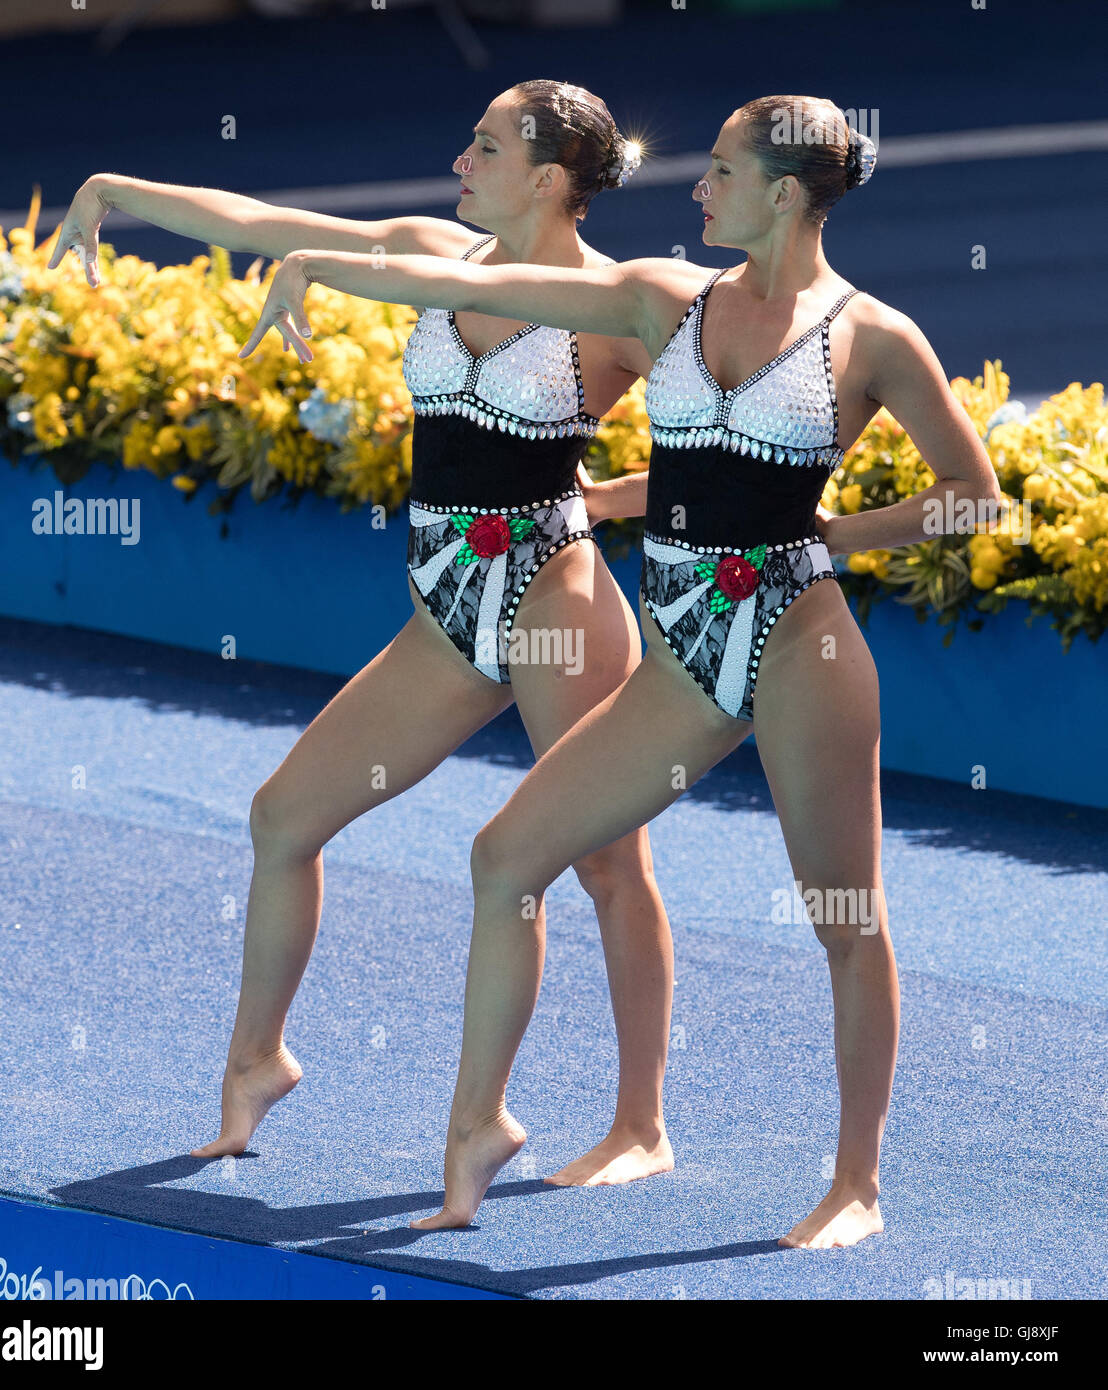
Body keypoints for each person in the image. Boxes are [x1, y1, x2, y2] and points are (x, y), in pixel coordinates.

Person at [243, 93, 1002, 1246]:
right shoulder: (660, 296)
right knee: (504, 855)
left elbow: (972, 496)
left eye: (723, 173)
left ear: (785, 195)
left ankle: (856, 1181)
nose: (698, 189)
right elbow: (497, 288)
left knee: (842, 915)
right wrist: (314, 263)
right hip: (681, 662)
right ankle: (474, 1139)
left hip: (805, 642)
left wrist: (837, 538)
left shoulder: (876, 337)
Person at [49, 80, 682, 1190]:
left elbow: (742, 411)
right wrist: (117, 190)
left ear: (547, 177)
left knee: (601, 861)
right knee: (284, 816)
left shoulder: (620, 301)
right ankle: (257, 1060)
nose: (458, 161)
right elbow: (266, 227)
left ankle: (638, 1121)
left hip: (555, 601)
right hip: (445, 605)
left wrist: (618, 499)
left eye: (483, 147)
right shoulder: (434, 252)